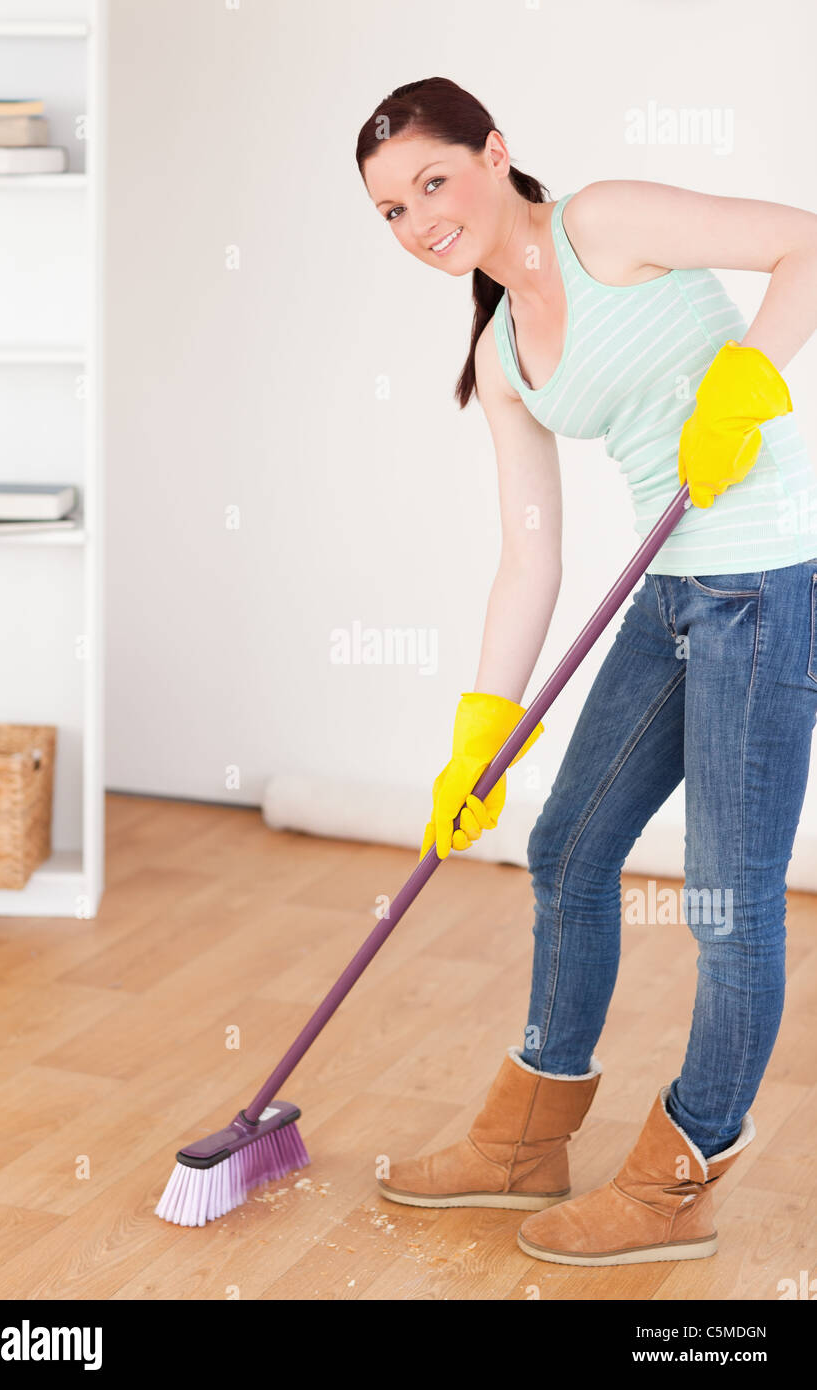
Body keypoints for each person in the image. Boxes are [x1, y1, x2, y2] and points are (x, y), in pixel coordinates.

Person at [355, 76, 817, 1266]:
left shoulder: (601, 222)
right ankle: (526, 1137)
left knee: (725, 895)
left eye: (430, 182)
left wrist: (748, 375)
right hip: (671, 598)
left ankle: (681, 1174)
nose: (419, 222)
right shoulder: (502, 356)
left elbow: (801, 244)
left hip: (765, 587)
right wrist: (482, 733)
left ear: (493, 153)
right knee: (566, 845)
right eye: (392, 211)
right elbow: (529, 555)